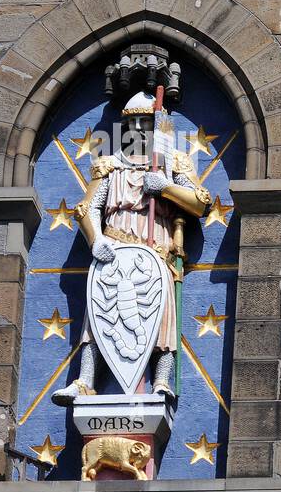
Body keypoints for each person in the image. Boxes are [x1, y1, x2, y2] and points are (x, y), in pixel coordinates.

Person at [52, 92, 211, 404]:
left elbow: (200, 202)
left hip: (156, 252)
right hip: (114, 251)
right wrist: (96, 240)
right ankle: (85, 380)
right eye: (132, 122)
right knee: (98, 315)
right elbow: (86, 209)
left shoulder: (172, 163)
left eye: (145, 122)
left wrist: (164, 187)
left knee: (162, 318)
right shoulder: (109, 166)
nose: (138, 128)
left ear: (156, 127)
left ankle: (162, 381)